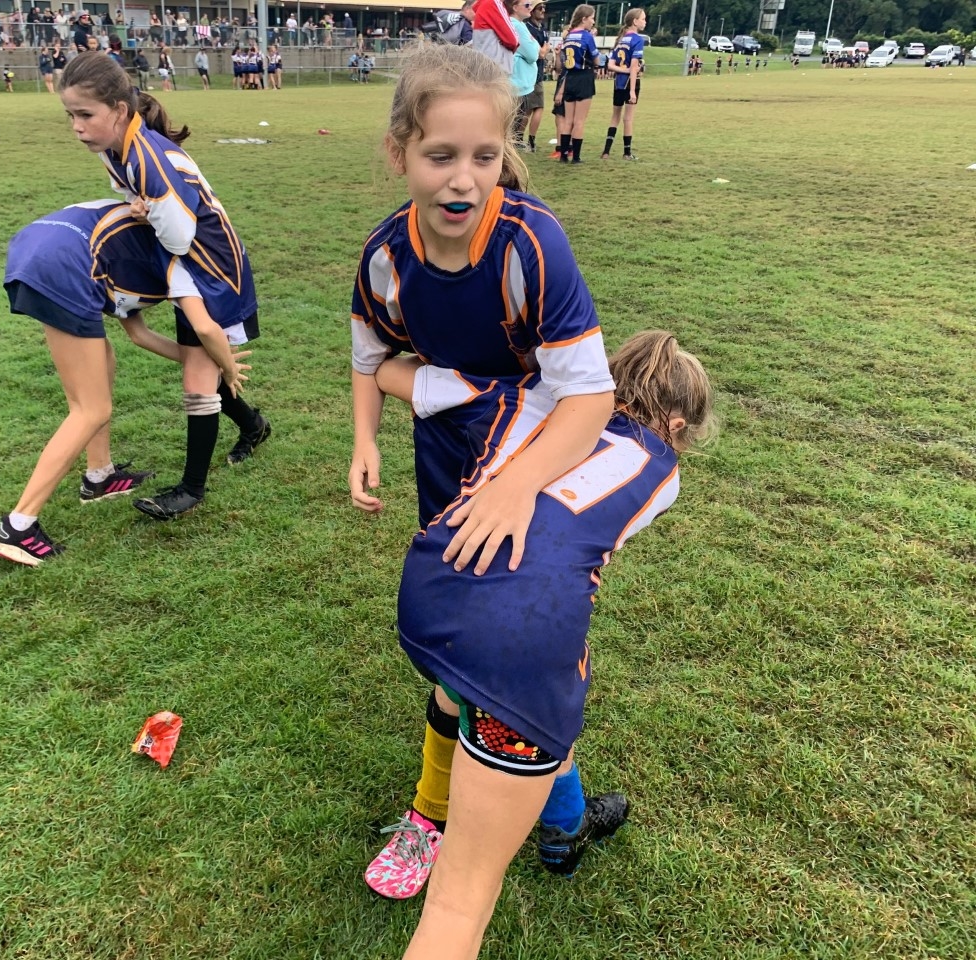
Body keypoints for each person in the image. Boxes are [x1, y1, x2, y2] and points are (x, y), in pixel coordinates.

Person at [347, 44, 624, 924]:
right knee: (474, 654)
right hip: (450, 462)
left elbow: (591, 396)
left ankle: (475, 817)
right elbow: (366, 355)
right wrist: (366, 439)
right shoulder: (386, 258)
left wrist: (516, 486)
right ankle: (528, 818)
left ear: (507, 151)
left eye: (484, 156)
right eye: (440, 156)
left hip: (545, 461)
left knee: (517, 652)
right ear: (399, 153)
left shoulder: (532, 242)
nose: (463, 179)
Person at [363, 330, 715, 955]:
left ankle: (554, 828)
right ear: (677, 422)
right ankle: (556, 835)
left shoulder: (522, 393)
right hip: (521, 637)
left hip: (432, 591)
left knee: (515, 695)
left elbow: (389, 372)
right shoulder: (664, 469)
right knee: (459, 898)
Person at [0, 199, 256, 565]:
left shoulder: (135, 252)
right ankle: (19, 525)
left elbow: (139, 335)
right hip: (66, 264)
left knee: (103, 358)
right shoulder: (183, 257)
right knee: (91, 409)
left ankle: (99, 476)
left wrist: (203, 360)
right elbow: (205, 327)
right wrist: (227, 366)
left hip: (37, 249)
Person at [59, 53, 273, 520]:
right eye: (70, 115)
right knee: (207, 369)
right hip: (180, 261)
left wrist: (146, 209)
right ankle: (254, 425)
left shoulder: (149, 156)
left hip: (211, 270)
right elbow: (143, 209)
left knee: (199, 377)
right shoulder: (116, 148)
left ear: (118, 109)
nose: (76, 126)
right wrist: (140, 206)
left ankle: (192, 489)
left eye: (85, 115)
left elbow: (178, 235)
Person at [554, 4, 597, 163]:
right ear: (584, 18)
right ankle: (576, 157)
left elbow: (564, 61)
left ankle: (563, 156)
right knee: (579, 121)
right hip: (584, 77)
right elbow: (596, 59)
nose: (593, 21)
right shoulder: (587, 36)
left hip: (569, 77)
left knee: (567, 120)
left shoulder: (569, 35)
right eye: (592, 18)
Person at [600, 6, 644, 160]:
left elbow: (610, 65)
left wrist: (623, 71)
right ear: (635, 21)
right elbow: (633, 66)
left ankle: (606, 152)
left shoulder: (620, 40)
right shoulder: (638, 39)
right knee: (628, 118)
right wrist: (632, 90)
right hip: (630, 83)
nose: (645, 22)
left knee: (615, 116)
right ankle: (627, 153)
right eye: (643, 19)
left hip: (618, 83)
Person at [508, 0, 540, 150]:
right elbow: (534, 53)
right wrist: (533, 46)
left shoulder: (521, 25)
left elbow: (536, 48)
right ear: (515, 7)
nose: (531, 8)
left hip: (521, 84)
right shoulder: (515, 25)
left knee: (513, 127)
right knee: (511, 129)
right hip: (517, 85)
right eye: (527, 5)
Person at [521, 2, 549, 151]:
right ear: (532, 11)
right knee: (537, 107)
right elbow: (541, 53)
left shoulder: (541, 29)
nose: (543, 11)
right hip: (532, 73)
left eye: (544, 8)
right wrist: (545, 48)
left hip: (535, 73)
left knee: (528, 108)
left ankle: (520, 138)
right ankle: (528, 141)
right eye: (540, 8)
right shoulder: (528, 28)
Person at [470, 0, 517, 72]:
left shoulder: (484, 4)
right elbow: (513, 41)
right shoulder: (494, 3)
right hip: (496, 69)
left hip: (483, 66)